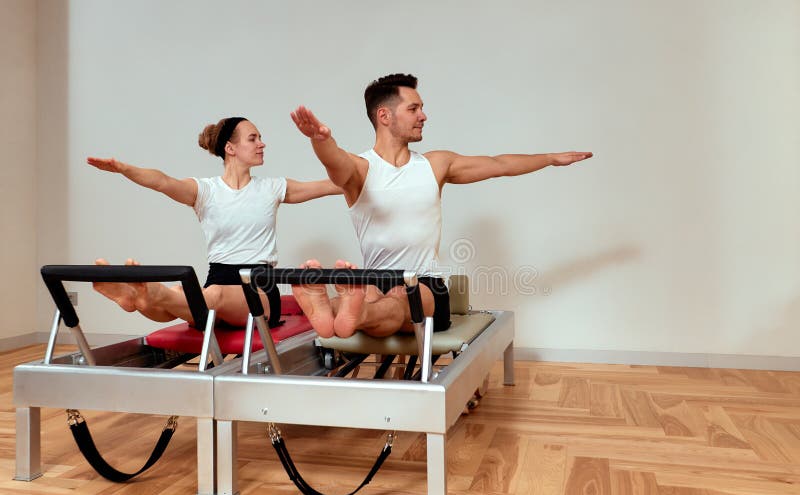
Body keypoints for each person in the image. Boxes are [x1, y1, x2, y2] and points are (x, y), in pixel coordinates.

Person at [289, 74, 592, 339]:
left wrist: (550, 158)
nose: (423, 116)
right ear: (385, 116)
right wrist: (320, 140)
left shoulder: (435, 165)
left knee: (395, 299)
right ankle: (335, 310)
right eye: (414, 108)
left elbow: (499, 164)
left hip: (426, 286)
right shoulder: (360, 169)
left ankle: (350, 314)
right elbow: (335, 160)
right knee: (372, 294)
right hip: (374, 282)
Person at [88, 116, 341, 327]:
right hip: (216, 282)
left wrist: (363, 171)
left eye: (260, 138)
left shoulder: (272, 188)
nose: (262, 144)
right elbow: (162, 181)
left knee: (208, 295)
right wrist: (124, 168)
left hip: (259, 289)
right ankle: (139, 298)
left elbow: (331, 185)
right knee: (186, 295)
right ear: (230, 148)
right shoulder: (206, 191)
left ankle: (145, 293)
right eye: (253, 138)